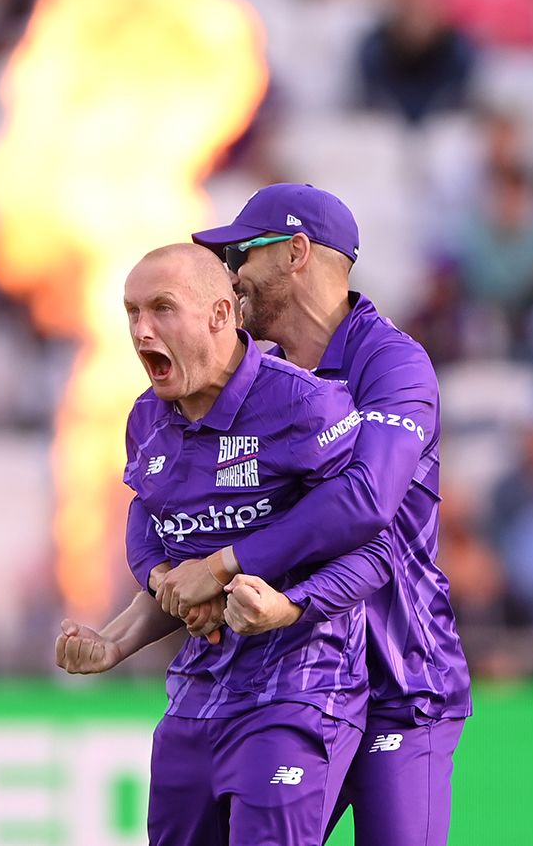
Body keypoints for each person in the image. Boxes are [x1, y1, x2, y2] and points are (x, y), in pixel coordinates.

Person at [155, 183, 472, 846]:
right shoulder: (252, 371)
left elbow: (366, 499)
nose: (231, 273)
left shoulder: (392, 362)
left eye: (243, 252)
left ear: (297, 252)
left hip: (399, 679)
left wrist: (225, 566)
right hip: (289, 679)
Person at [56, 244, 367, 846]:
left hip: (299, 688)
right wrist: (117, 639)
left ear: (221, 315)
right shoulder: (146, 419)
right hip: (196, 696)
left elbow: (368, 546)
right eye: (131, 312)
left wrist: (283, 603)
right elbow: (152, 541)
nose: (141, 329)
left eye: (162, 308)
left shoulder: (306, 405)